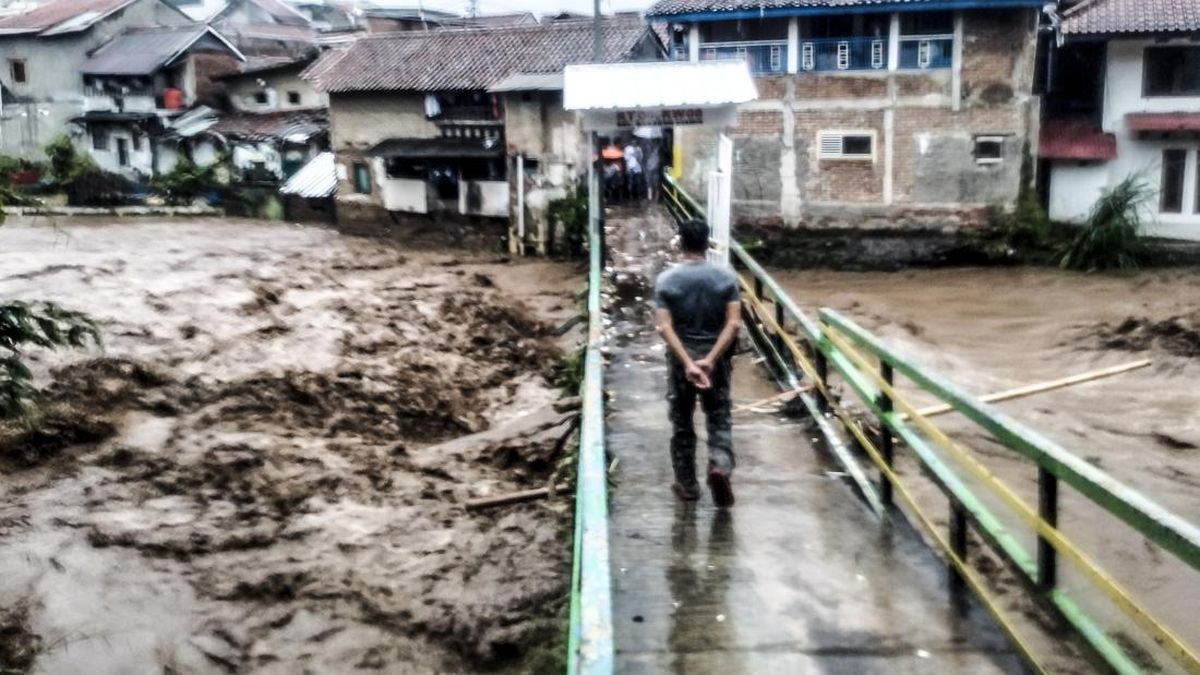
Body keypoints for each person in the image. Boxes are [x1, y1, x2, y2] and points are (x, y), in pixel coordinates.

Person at [653, 219, 741, 507]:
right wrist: (711, 359)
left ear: (681, 243)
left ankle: (687, 485)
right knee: (719, 416)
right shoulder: (727, 278)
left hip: (681, 361)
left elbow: (665, 328)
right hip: (716, 361)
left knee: (681, 420)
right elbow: (734, 324)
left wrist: (689, 363)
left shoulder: (666, 280)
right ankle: (719, 465)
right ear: (707, 243)